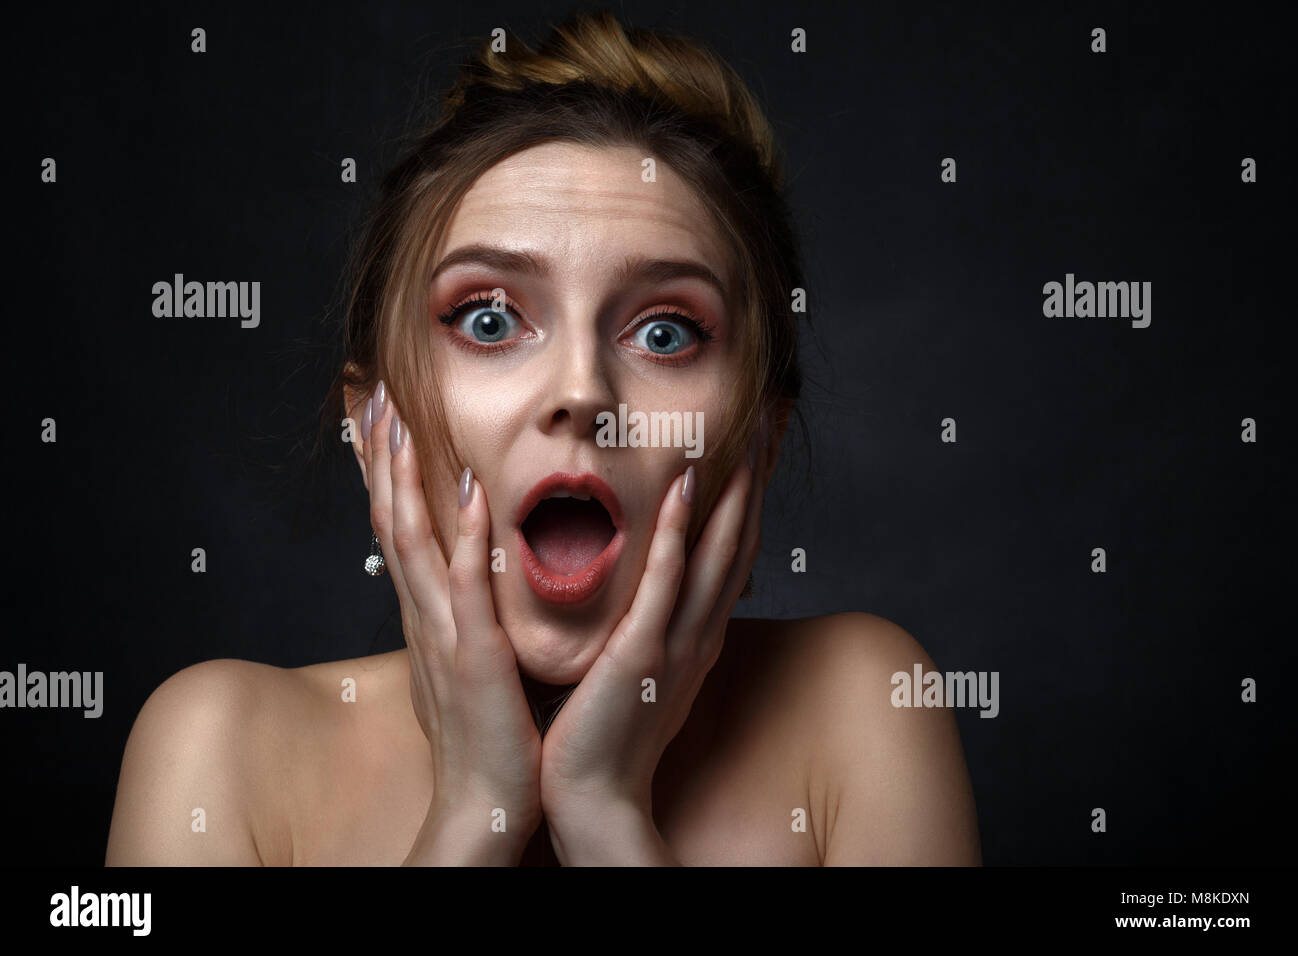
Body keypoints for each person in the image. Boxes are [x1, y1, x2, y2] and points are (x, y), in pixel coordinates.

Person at [106, 10, 980, 866]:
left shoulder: (863, 705)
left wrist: (604, 813)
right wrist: (476, 812)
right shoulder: (219, 750)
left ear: (762, 438)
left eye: (665, 332)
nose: (581, 392)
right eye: (488, 321)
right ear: (371, 425)